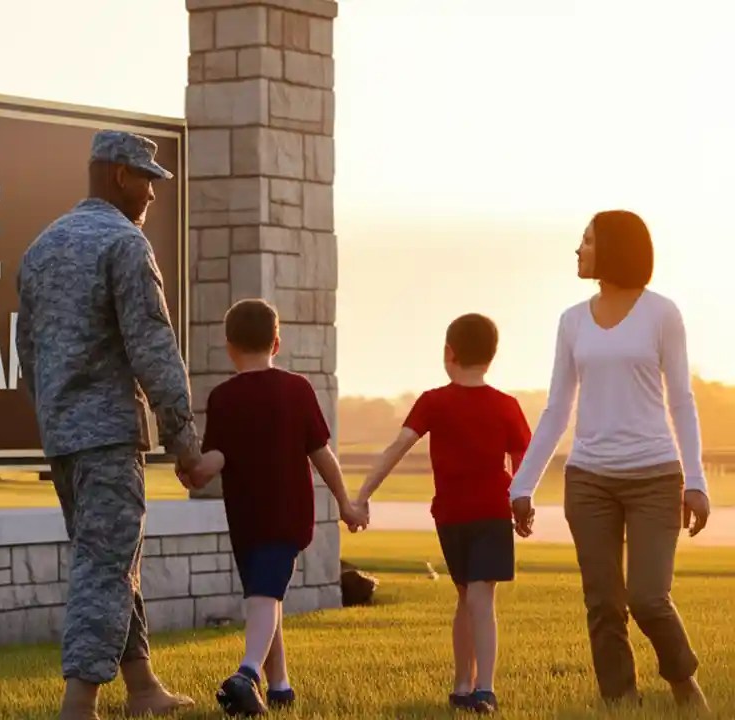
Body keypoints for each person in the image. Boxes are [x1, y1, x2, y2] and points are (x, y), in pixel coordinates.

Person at [15, 129, 214, 720]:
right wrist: (184, 439)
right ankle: (79, 704)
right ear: (118, 176)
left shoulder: (41, 248)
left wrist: (54, 414)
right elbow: (153, 345)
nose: (153, 193)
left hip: (64, 437)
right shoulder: (125, 244)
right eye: (146, 179)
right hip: (107, 437)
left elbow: (27, 351)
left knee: (110, 557)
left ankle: (144, 687)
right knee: (105, 568)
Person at [507, 210, 711, 711]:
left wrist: (697, 480)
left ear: (615, 248)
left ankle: (684, 681)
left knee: (647, 597)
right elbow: (557, 408)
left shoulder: (662, 314)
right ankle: (621, 701)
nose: (578, 250)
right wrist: (522, 485)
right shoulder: (572, 321)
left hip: (655, 476)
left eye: (588, 241)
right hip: (589, 480)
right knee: (603, 603)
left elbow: (681, 400)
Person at [184, 298, 364, 717]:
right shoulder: (296, 389)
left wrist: (193, 470)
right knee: (267, 598)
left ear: (229, 346)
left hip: (247, 518)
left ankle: (247, 674)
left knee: (263, 596)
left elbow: (216, 459)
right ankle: (278, 685)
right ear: (277, 343)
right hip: (287, 515)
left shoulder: (223, 397)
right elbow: (322, 455)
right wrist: (345, 503)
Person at [351, 313, 532, 715]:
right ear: (492, 357)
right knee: (479, 598)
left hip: (450, 517)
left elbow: (397, 447)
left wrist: (363, 495)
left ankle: (464, 686)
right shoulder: (506, 406)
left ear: (449, 353)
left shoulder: (434, 401)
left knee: (469, 596)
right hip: (491, 513)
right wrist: (522, 505)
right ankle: (483, 689)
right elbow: (525, 464)